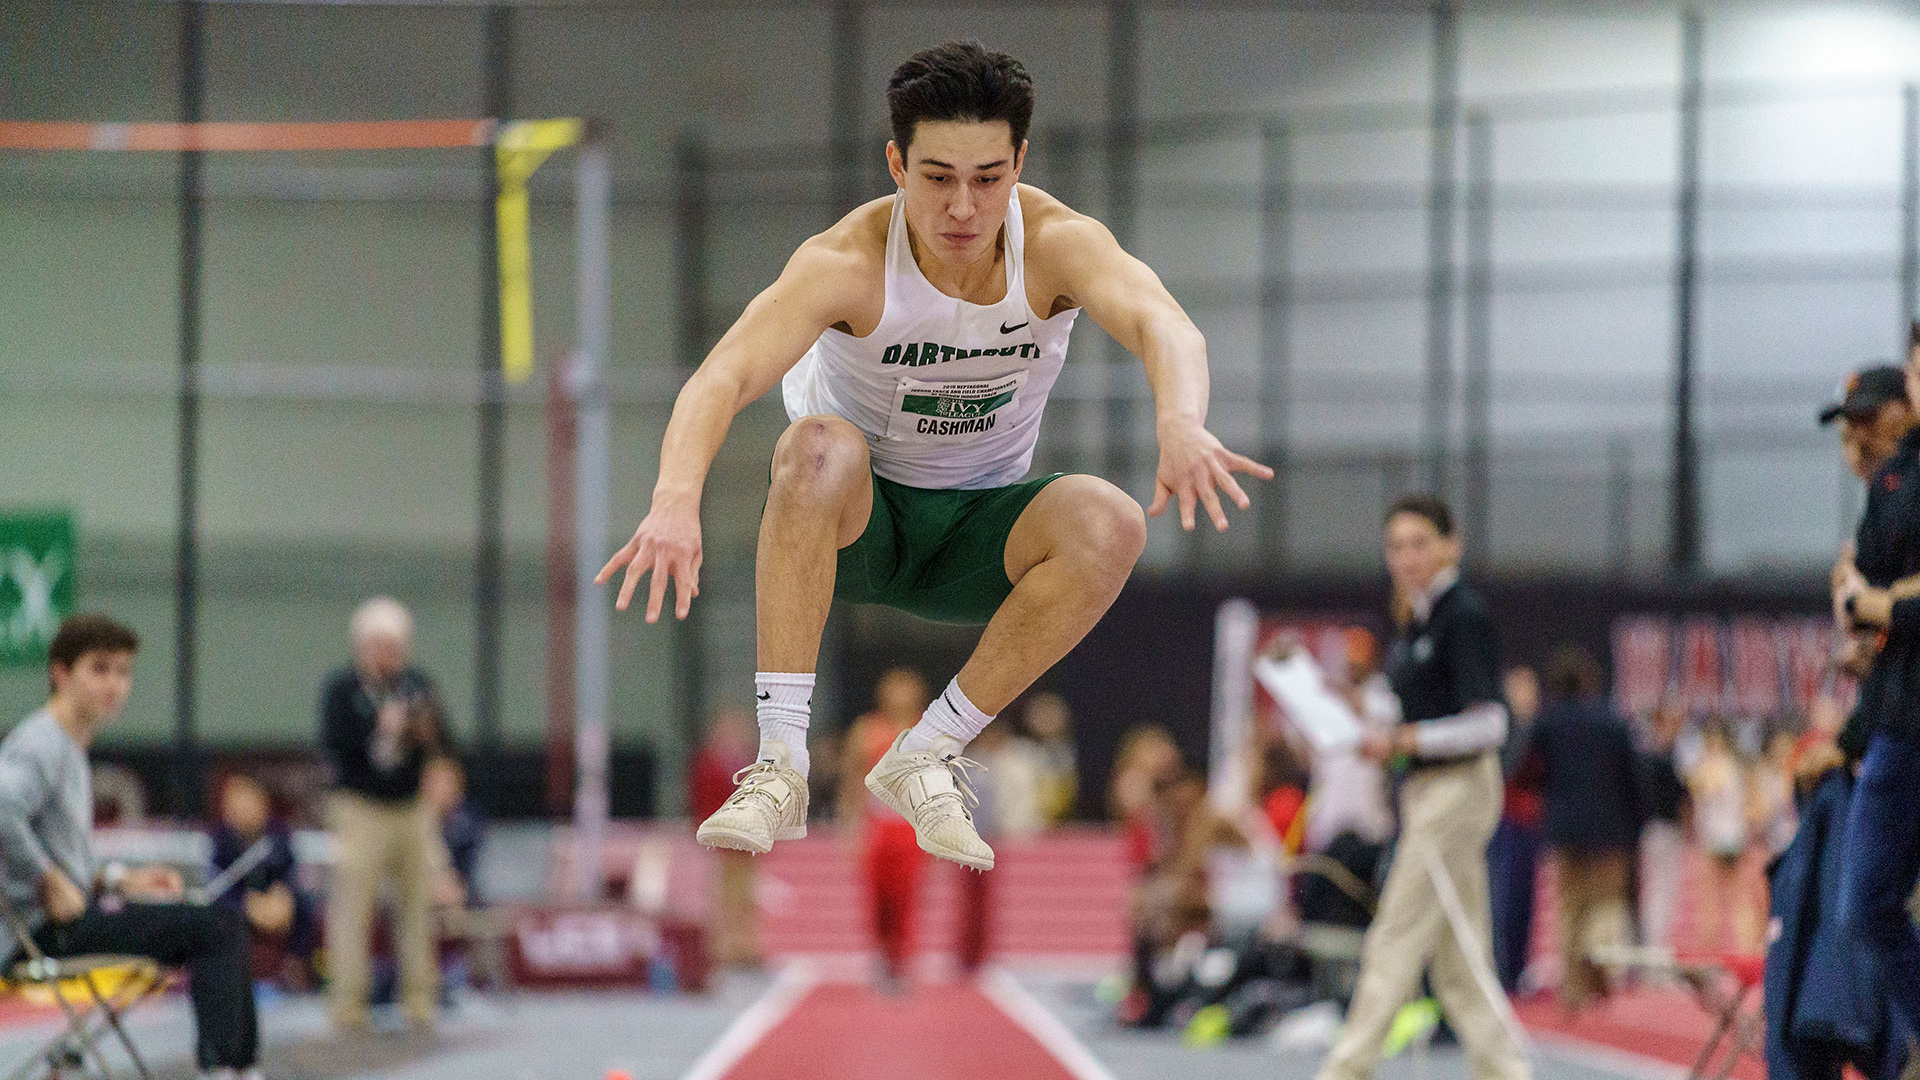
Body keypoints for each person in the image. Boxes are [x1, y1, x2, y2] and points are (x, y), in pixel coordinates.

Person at [597, 41, 1270, 873]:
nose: (962, 206)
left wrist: (1181, 420)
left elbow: (1166, 324)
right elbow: (723, 373)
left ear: (1020, 162)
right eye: (937, 177)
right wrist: (673, 499)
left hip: (972, 535)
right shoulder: (846, 261)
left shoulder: (1058, 244)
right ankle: (780, 763)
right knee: (817, 444)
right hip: (852, 525)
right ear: (896, 164)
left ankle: (929, 751)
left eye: (989, 178)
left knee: (1113, 519)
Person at [1316, 495, 1529, 1080]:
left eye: (1419, 543)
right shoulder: (1416, 617)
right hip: (1425, 793)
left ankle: (1345, 1068)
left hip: (1458, 789)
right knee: (1458, 955)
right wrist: (1349, 707)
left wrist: (1406, 741)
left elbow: (1491, 723)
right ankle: (1505, 1069)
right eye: (1396, 546)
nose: (1406, 557)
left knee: (1396, 931)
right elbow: (1400, 705)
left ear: (1450, 544)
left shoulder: (1464, 615)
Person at [0, 615, 262, 1080]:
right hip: (39, 933)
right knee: (216, 927)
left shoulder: (71, 748)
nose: (115, 685)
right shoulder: (41, 742)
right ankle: (228, 1069)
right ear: (61, 673)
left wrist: (121, 879)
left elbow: (67, 859)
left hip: (63, 921)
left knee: (215, 918)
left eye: (123, 672)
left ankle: (237, 1068)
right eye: (99, 669)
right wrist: (46, 878)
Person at [1828, 334, 1920, 1058]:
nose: (1855, 433)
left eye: (1866, 415)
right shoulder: (1894, 482)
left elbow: (1881, 599)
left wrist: (1878, 605)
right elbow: (1861, 593)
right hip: (1898, 717)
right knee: (1862, 906)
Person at [318, 596, 452, 1032]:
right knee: (353, 906)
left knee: (417, 906)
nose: (387, 654)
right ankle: (348, 1004)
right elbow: (335, 744)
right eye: (378, 644)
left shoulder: (418, 685)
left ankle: (419, 1000)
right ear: (362, 645)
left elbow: (442, 740)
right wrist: (382, 727)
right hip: (361, 808)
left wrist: (424, 741)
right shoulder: (343, 688)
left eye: (395, 645)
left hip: (411, 808)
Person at [1526, 645, 1641, 1011]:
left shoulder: (1546, 722)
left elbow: (1526, 769)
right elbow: (1634, 778)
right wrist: (1637, 824)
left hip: (1565, 828)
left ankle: (1573, 988)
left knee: (1570, 907)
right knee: (1606, 904)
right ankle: (1600, 966)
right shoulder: (1612, 721)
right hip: (1611, 829)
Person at [840, 669, 933, 990]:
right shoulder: (866, 730)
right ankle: (882, 955)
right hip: (877, 826)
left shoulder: (928, 730)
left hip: (912, 827)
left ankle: (902, 961)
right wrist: (850, 825)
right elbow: (852, 780)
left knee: (907, 898)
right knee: (878, 898)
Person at [210, 772, 317, 989]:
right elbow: (217, 886)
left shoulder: (279, 833)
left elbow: (288, 873)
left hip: (274, 901)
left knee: (304, 907)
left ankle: (296, 968)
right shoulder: (220, 839)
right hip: (239, 901)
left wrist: (280, 899)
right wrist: (249, 905)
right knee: (218, 915)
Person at [688, 706, 763, 967]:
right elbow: (702, 798)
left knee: (746, 898)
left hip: (747, 840)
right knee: (724, 896)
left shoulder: (752, 763)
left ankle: (746, 944)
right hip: (723, 839)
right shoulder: (710, 762)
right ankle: (722, 946)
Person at [1487, 663, 1543, 993]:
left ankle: (1518, 967)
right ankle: (1501, 968)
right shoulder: (1503, 727)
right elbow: (1506, 768)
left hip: (1528, 822)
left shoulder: (1537, 726)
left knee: (1524, 900)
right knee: (1500, 899)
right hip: (1502, 821)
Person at [1636, 700, 1689, 954]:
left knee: (1659, 893)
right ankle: (1653, 952)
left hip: (1657, 830)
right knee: (1660, 893)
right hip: (1661, 830)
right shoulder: (1659, 758)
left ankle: (1654, 949)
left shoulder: (1656, 755)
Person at [1022, 692, 1078, 825]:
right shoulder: (1019, 752)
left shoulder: (1068, 753)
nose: (1047, 720)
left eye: (1052, 715)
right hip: (1029, 824)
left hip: (1062, 824)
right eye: (1041, 715)